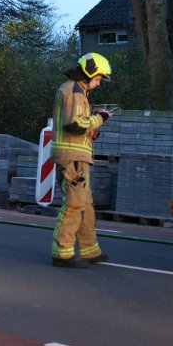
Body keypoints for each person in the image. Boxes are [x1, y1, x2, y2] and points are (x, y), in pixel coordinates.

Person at [49, 52, 114, 268]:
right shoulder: (74, 91)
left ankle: (89, 249)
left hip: (76, 156)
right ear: (89, 73)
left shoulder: (77, 91)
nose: (98, 84)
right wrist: (100, 118)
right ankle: (62, 252)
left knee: (86, 205)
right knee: (74, 204)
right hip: (72, 158)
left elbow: (76, 126)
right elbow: (74, 125)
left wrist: (92, 129)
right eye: (98, 79)